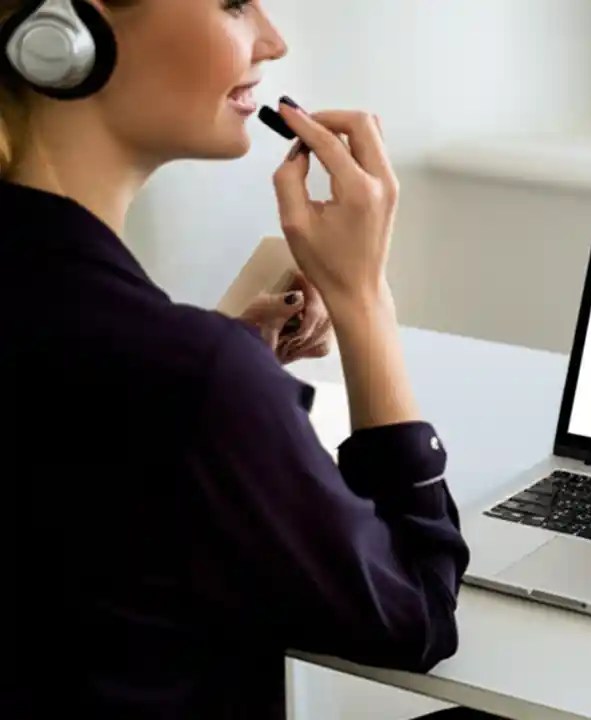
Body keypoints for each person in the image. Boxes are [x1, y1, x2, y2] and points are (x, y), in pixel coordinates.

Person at [0, 1, 497, 717]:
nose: (273, 38)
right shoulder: (190, 379)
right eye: (233, 3)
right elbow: (417, 612)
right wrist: (361, 301)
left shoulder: (147, 362)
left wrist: (221, 367)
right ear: (66, 34)